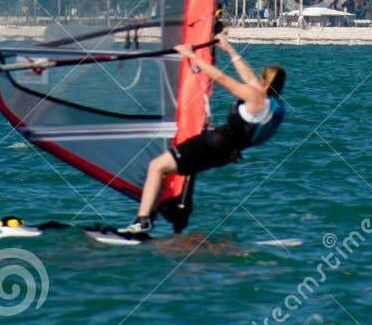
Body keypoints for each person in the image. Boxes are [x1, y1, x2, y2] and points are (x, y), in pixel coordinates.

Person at [123, 25, 287, 236]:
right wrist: (229, 49)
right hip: (226, 154)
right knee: (169, 169)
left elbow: (222, 79)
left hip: (213, 144)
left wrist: (191, 56)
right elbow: (249, 79)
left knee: (157, 166)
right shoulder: (276, 108)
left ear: (264, 81)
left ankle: (143, 221)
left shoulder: (255, 97)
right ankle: (160, 215)